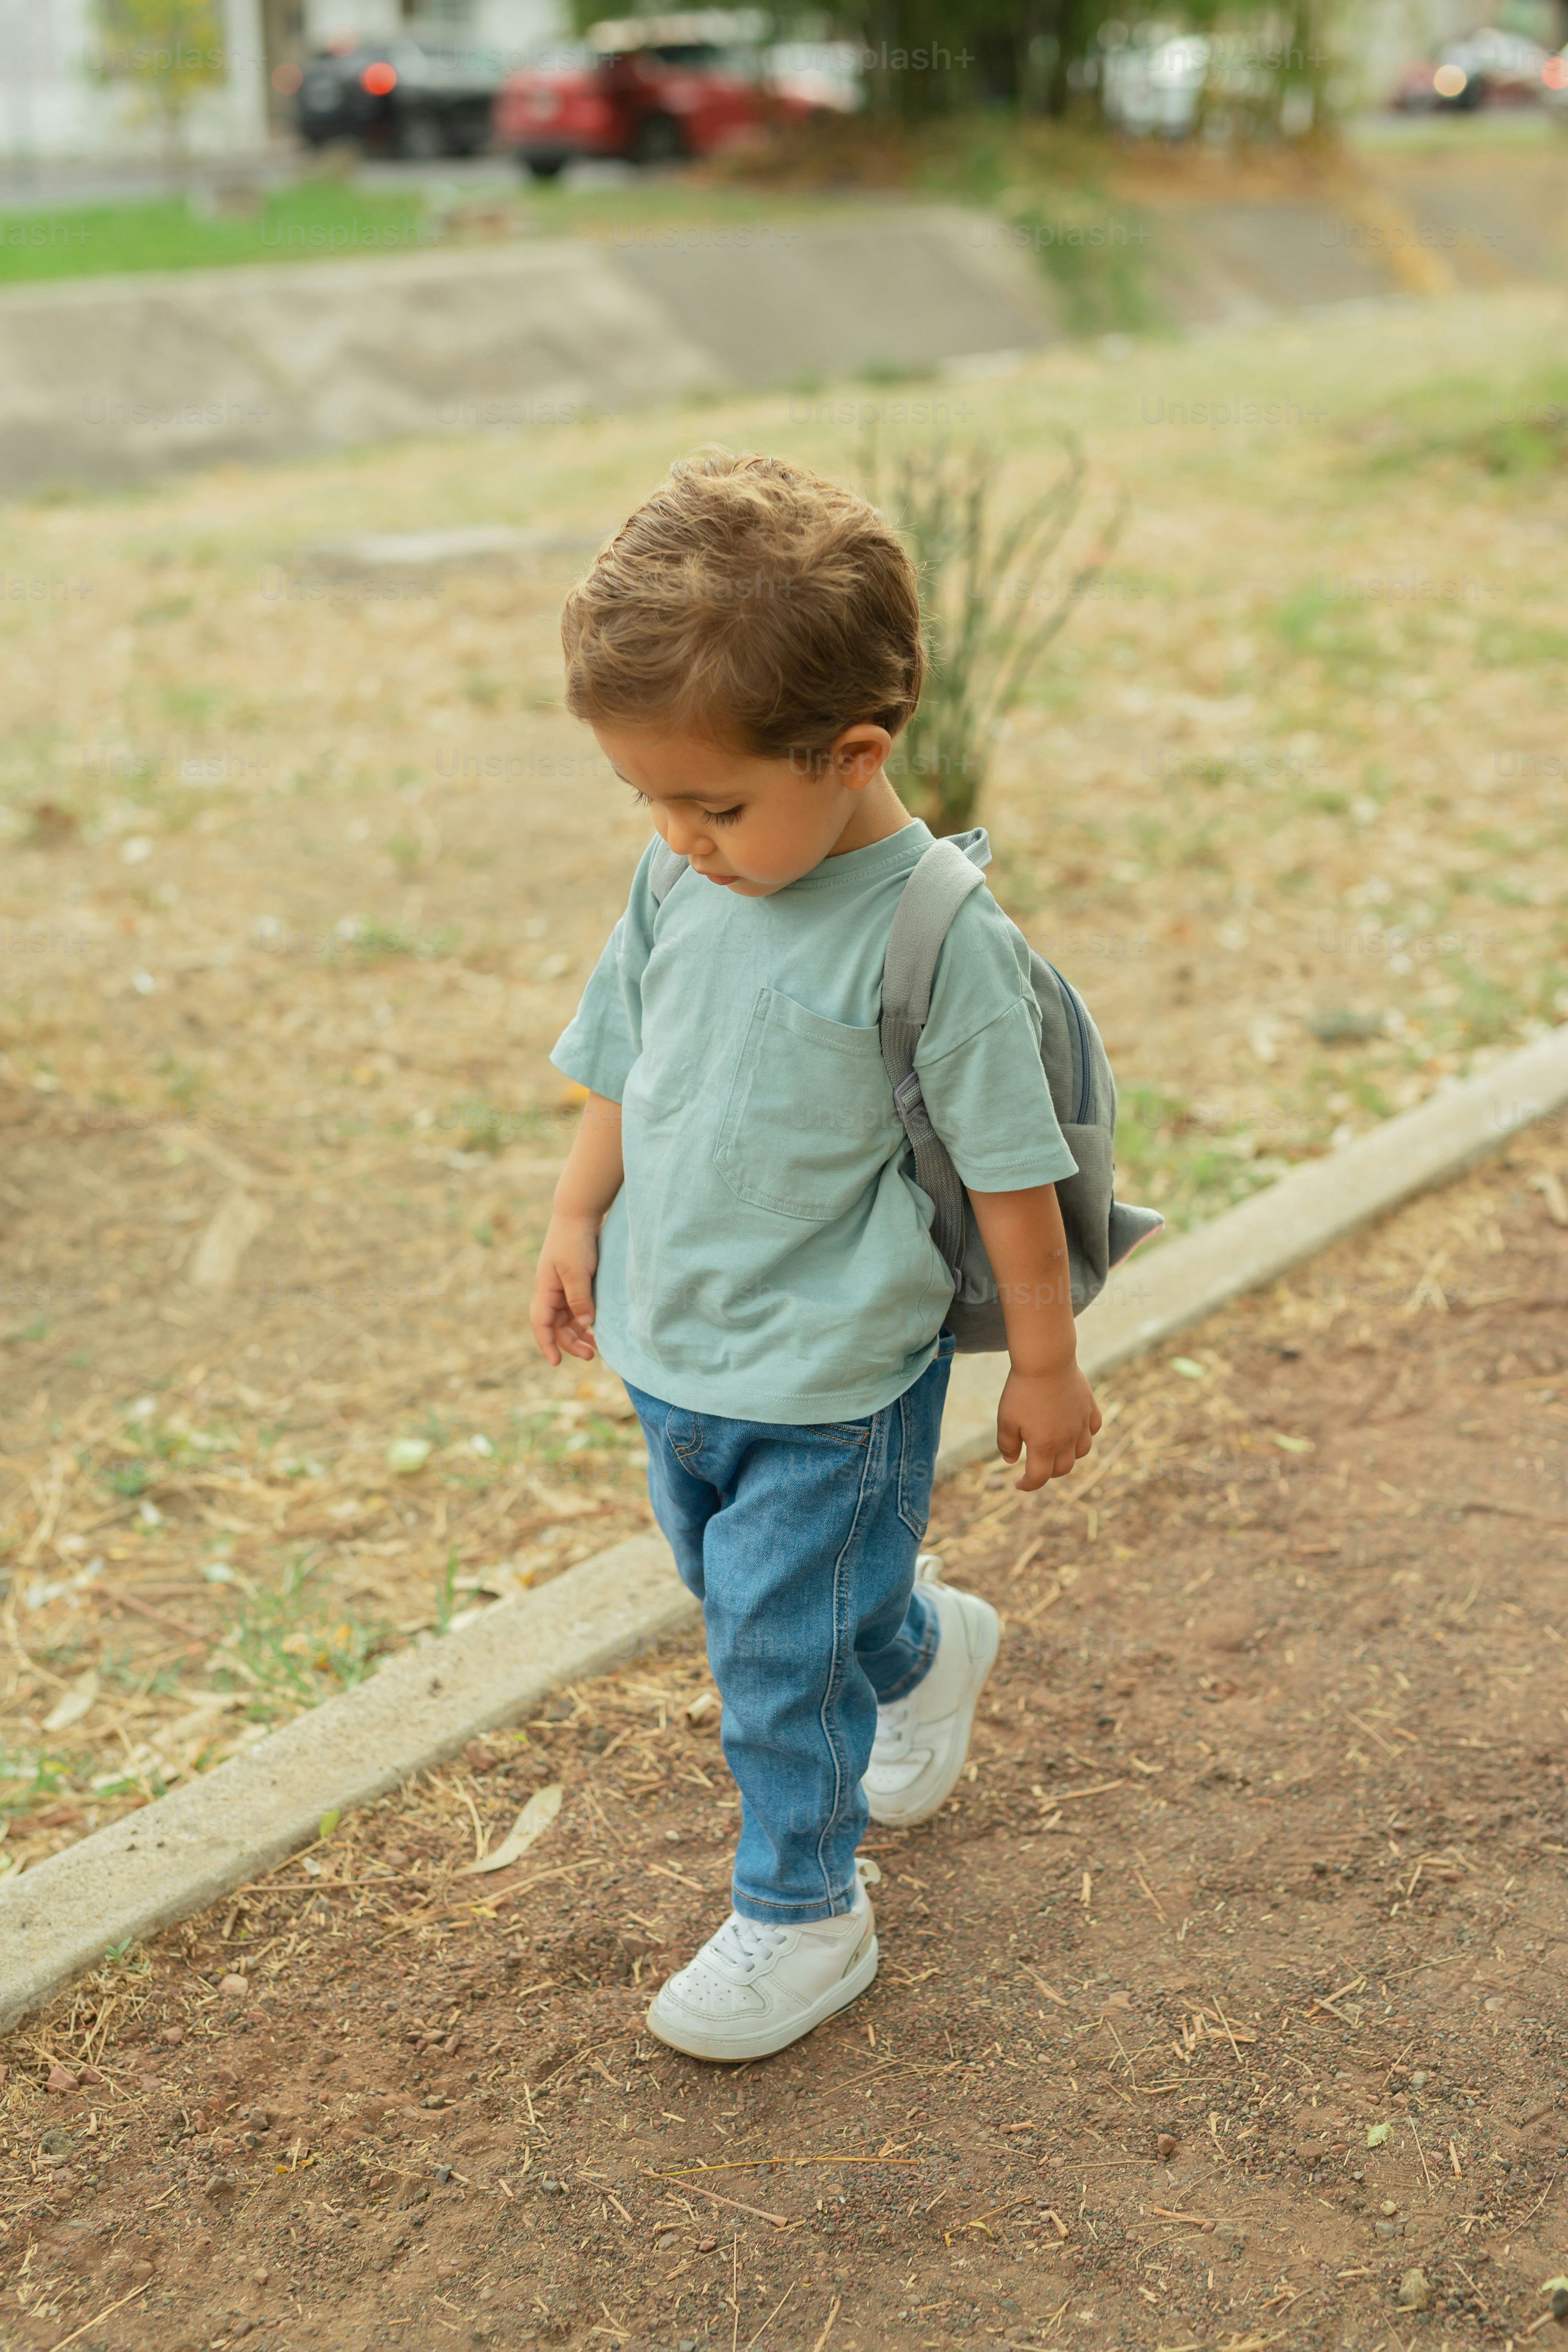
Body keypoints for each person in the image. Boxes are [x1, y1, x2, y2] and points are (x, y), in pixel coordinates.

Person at [530, 451, 1100, 2062]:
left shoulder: (933, 938)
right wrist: (579, 1217)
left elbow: (1011, 1177)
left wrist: (1046, 1367)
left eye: (715, 804)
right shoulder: (675, 877)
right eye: (650, 799)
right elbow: (626, 1057)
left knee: (771, 1659)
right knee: (748, 1599)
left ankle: (802, 1913)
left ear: (853, 755)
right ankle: (924, 1645)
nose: (680, 836)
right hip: (678, 1344)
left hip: (838, 1379)